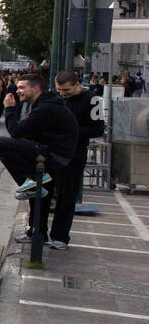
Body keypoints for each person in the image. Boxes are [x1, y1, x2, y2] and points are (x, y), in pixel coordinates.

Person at [0, 73, 79, 245]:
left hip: (55, 155)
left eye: (22, 87)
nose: (18, 91)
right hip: (52, 153)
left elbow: (16, 132)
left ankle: (30, 181)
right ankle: (36, 231)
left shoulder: (46, 108)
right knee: (40, 193)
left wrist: (9, 109)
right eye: (18, 87)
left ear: (36, 88)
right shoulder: (44, 104)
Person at [47, 71, 105, 249]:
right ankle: (37, 231)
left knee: (67, 195)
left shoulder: (93, 100)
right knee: (44, 191)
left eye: (66, 90)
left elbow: (97, 129)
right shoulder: (55, 98)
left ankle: (60, 236)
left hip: (74, 154)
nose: (63, 93)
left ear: (77, 84)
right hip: (52, 151)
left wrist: (71, 131)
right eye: (59, 90)